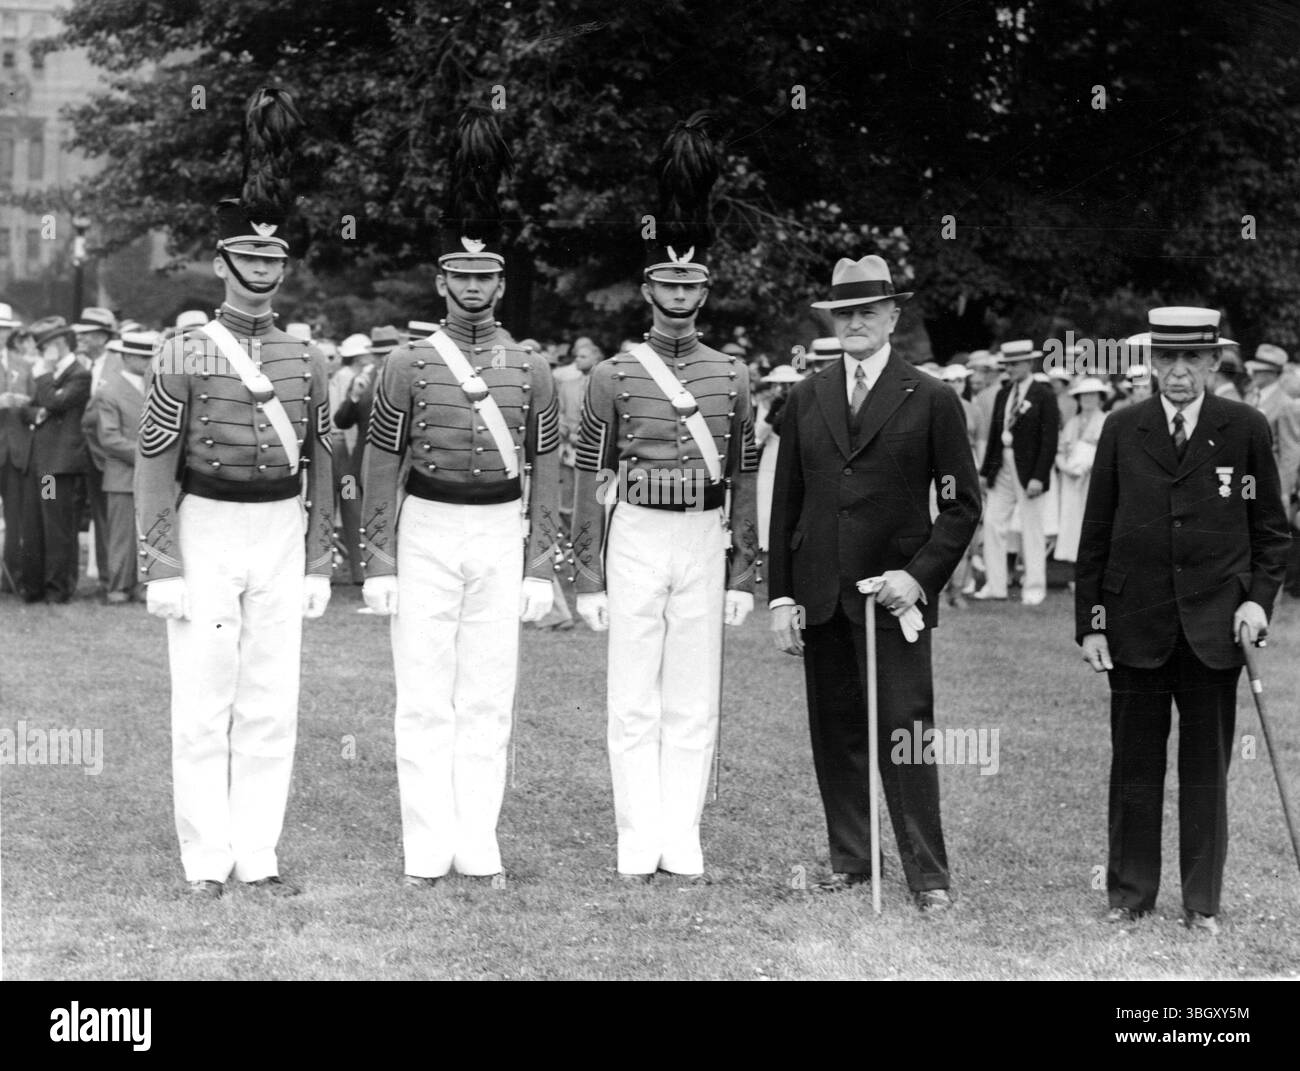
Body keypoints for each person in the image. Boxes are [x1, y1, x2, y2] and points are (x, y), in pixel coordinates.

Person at [135, 87, 334, 900]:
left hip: (280, 528)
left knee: (270, 695)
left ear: (284, 267)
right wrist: (162, 560)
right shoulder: (183, 351)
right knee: (204, 696)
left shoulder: (308, 357)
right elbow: (154, 460)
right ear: (220, 264)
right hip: (207, 523)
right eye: (246, 261)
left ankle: (260, 852)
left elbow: (321, 460)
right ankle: (204, 858)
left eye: (272, 262)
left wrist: (322, 555)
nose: (260, 273)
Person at [360, 108, 563, 888]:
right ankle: (425, 841)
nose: (474, 289)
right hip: (427, 526)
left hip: (499, 530)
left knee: (487, 689)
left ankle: (478, 837)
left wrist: (542, 560)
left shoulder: (532, 366)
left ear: (501, 283)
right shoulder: (407, 365)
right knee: (423, 690)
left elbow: (548, 467)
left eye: (486, 278)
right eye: (461, 277)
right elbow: (380, 460)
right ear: (440, 282)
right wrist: (376, 553)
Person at [571, 113, 759, 883]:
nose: (679, 294)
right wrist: (585, 571)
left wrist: (747, 568)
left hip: (702, 536)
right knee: (632, 692)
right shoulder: (612, 376)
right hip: (638, 530)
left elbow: (743, 475)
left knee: (691, 694)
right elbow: (587, 476)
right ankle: (634, 829)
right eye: (667, 282)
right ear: (646, 288)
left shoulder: (733, 374)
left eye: (691, 282)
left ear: (705, 289)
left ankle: (681, 831)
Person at [769, 254, 980, 907]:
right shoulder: (807, 395)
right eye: (844, 313)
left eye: (868, 310)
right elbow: (787, 503)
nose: (856, 322)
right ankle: (852, 858)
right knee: (835, 732)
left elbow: (961, 504)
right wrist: (781, 594)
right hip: (824, 595)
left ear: (892, 315)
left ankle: (928, 873)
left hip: (895, 599)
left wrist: (918, 578)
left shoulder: (933, 397)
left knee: (905, 730)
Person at [1076, 307, 1290, 934]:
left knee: (1205, 773)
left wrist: (1257, 601)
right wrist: (1092, 623)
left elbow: (1270, 533)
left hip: (1213, 631)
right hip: (1133, 626)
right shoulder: (1122, 428)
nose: (1177, 372)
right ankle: (1130, 894)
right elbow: (1094, 535)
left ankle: (1202, 904)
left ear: (1213, 362)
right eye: (1166, 359)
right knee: (1135, 766)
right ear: (1150, 363)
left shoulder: (1245, 428)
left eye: (1191, 359)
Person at [975, 339, 1059, 605]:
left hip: (1030, 470)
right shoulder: (1003, 394)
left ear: (1028, 364)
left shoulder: (1044, 395)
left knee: (1031, 528)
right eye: (1007, 364)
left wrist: (1039, 476)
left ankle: (1034, 587)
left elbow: (1049, 441)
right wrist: (985, 471)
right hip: (1002, 466)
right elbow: (994, 436)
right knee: (992, 523)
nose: (1009, 369)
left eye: (1013, 364)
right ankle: (995, 584)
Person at [28, 316, 92, 603]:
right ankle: (45, 583)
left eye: (45, 346)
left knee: (58, 525)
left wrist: (42, 377)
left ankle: (58, 588)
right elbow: (34, 406)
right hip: (47, 465)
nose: (42, 352)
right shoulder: (52, 376)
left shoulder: (79, 374)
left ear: (59, 344)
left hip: (58, 467)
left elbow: (53, 402)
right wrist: (36, 412)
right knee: (46, 523)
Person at [94, 330, 155, 603]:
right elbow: (109, 437)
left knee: (148, 533)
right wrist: (149, 456)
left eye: (150, 357)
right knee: (121, 534)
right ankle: (118, 586)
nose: (147, 362)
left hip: (151, 475)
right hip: (123, 473)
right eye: (143, 357)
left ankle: (143, 586)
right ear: (127, 356)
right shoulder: (109, 391)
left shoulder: (155, 385)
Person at [75, 306, 120, 594]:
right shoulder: (76, 364)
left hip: (104, 456)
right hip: (64, 461)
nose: (79, 338)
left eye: (86, 334)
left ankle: (109, 579)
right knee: (52, 499)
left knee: (106, 516)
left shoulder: (118, 364)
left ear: (103, 337)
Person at [1052, 376, 1108, 569]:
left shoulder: (1106, 421)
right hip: (1070, 479)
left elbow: (1106, 452)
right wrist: (1065, 467)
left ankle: (1092, 564)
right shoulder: (1072, 423)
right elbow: (1060, 450)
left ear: (1100, 397)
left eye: (1092, 394)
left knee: (1091, 519)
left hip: (1094, 479)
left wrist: (1088, 467)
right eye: (1084, 395)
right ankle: (1074, 564)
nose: (1088, 399)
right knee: (1071, 520)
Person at [0, 303, 36, 597]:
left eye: (4, 329)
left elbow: (36, 404)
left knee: (16, 519)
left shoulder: (23, 364)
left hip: (16, 452)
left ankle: (10, 577)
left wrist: (27, 404)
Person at [756, 364, 802, 553]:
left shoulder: (800, 401)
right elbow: (758, 437)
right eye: (779, 385)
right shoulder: (765, 404)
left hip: (792, 457)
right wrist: (771, 414)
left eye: (788, 385)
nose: (783, 389)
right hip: (771, 457)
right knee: (766, 498)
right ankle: (765, 543)